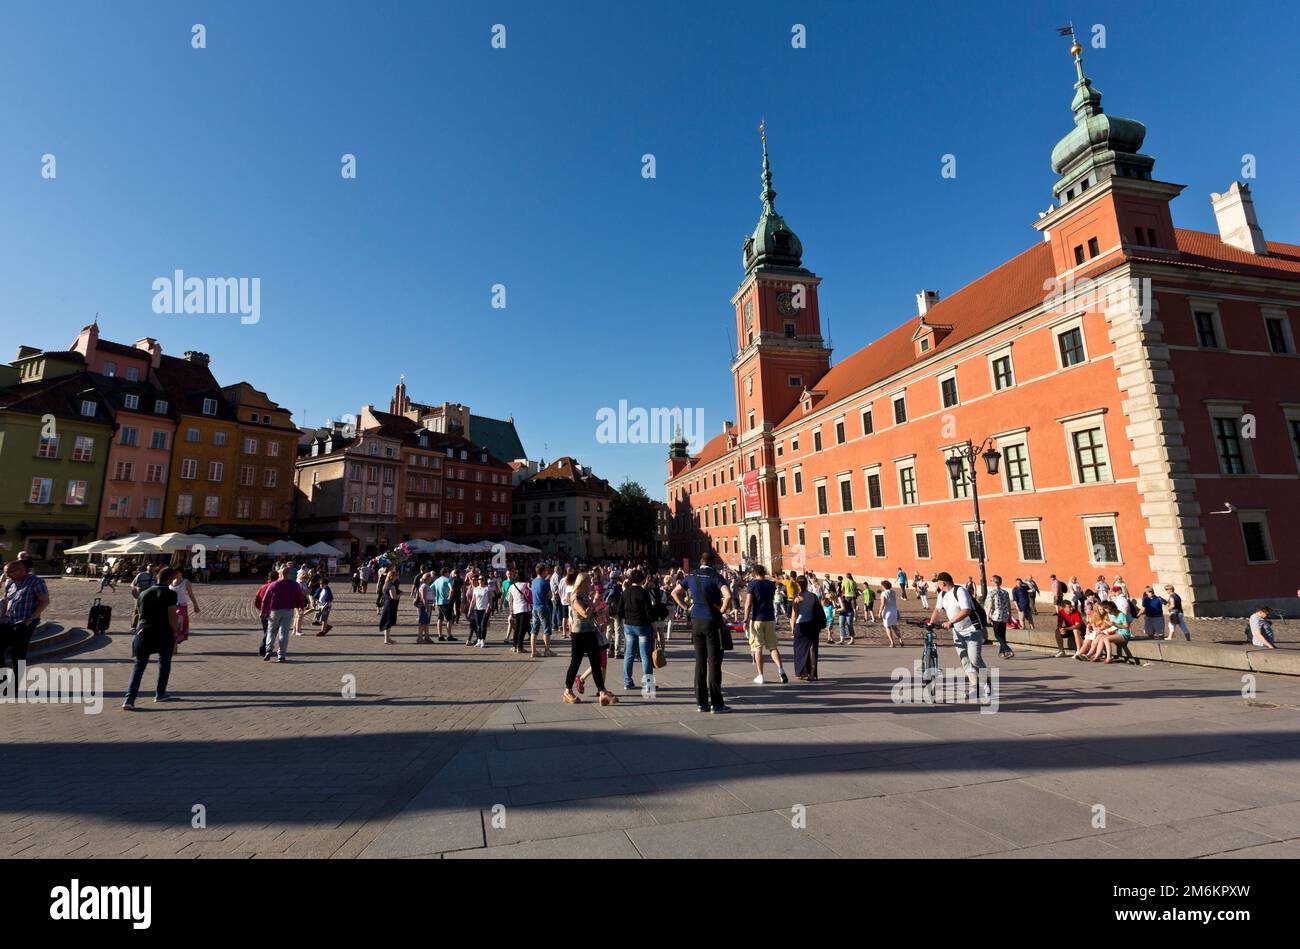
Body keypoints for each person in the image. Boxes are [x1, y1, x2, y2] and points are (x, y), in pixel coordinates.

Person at [671, 551, 732, 712]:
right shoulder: (716, 577)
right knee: (714, 663)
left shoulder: (691, 576)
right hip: (712, 622)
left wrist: (686, 608)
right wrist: (721, 611)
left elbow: (674, 592)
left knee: (700, 662)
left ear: (700, 561)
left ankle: (701, 702)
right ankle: (717, 704)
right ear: (713, 562)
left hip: (696, 622)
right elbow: (728, 595)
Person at [122, 566, 180, 709]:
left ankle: (129, 699)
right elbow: (172, 617)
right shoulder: (170, 594)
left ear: (157, 577)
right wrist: (175, 631)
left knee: (139, 665)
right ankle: (160, 693)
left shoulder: (144, 593)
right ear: (170, 579)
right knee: (164, 663)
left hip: (143, 632)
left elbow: (140, 613)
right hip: (163, 632)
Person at [562, 572, 618, 706]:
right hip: (579, 634)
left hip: (590, 632)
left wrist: (602, 613)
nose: (591, 585)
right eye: (588, 582)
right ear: (582, 583)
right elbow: (584, 613)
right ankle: (567, 690)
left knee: (596, 662)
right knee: (575, 662)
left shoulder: (585, 597)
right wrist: (593, 604)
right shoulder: (575, 597)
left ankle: (602, 691)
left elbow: (593, 616)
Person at [930, 571, 987, 697]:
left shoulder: (960, 591)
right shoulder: (942, 594)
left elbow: (967, 610)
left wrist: (950, 622)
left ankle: (986, 683)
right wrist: (931, 622)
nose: (937, 585)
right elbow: (938, 610)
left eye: (937, 583)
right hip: (958, 631)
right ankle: (975, 687)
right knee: (965, 661)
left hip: (972, 629)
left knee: (975, 659)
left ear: (943, 583)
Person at [1, 559, 50, 681]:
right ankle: (4, 680)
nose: (7, 575)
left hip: (25, 623)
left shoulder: (36, 582)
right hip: (8, 621)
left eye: (9, 572)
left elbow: (44, 601)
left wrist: (30, 620)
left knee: (18, 654)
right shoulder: (10, 582)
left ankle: (16, 683)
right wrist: (2, 617)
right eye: (5, 572)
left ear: (21, 571)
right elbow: (6, 600)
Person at [744, 564, 787, 684]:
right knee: (773, 647)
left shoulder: (752, 584)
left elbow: (748, 603)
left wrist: (746, 619)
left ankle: (760, 675)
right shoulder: (770, 584)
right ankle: (781, 669)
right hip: (770, 617)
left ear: (754, 573)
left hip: (757, 618)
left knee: (757, 648)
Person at [620, 568, 659, 692]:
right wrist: (655, 628)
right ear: (642, 580)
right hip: (642, 626)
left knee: (629, 654)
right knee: (645, 655)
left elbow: (619, 611)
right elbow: (649, 613)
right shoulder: (643, 593)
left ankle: (627, 682)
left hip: (629, 626)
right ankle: (648, 684)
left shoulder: (625, 592)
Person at [262, 566, 307, 661]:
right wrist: (301, 607)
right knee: (284, 633)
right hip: (288, 610)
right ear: (289, 574)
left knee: (271, 631)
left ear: (280, 574)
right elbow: (300, 597)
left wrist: (263, 611)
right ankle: (281, 655)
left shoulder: (274, 584)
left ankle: (269, 649)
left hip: (274, 611)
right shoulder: (294, 585)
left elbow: (265, 600)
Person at [789, 575, 821, 681]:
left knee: (799, 650)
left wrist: (792, 629)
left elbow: (794, 616)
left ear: (797, 585)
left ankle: (802, 672)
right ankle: (812, 674)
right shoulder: (813, 596)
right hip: (812, 624)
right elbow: (817, 610)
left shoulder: (797, 598)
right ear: (807, 584)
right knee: (812, 650)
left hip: (801, 625)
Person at [169, 568, 201, 652]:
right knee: (171, 626)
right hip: (171, 607)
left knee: (178, 626)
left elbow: (191, 595)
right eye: (173, 572)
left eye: (177, 572)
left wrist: (195, 605)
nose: (175, 574)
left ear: (181, 573)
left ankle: (174, 646)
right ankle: (172, 644)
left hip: (181, 607)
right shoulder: (170, 581)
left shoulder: (186, 582)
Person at [984, 575, 1014, 659]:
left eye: (991, 580)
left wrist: (987, 617)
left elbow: (989, 606)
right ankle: (1002, 653)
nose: (990, 582)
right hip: (1004, 616)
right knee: (1002, 635)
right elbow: (1008, 605)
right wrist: (1010, 616)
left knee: (997, 635)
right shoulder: (1005, 593)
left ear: (994, 582)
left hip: (996, 616)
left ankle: (1008, 650)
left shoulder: (992, 593)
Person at [530, 565, 555, 658]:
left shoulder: (533, 581)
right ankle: (547, 650)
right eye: (546, 570)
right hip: (543, 607)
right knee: (547, 629)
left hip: (535, 607)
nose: (547, 572)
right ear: (543, 571)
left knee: (534, 629)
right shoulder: (545, 582)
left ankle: (533, 651)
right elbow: (550, 596)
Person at [508, 568, 532, 654]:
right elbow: (532, 594)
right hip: (525, 609)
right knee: (523, 629)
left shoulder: (512, 586)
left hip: (516, 609)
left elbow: (510, 600)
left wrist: (511, 611)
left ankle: (514, 646)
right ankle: (520, 647)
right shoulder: (527, 584)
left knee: (517, 629)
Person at [432, 567, 457, 642]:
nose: (449, 573)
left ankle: (440, 635)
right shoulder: (447, 579)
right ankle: (449, 635)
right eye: (448, 572)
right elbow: (451, 589)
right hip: (446, 602)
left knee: (440, 619)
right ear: (445, 572)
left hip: (438, 602)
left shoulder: (437, 580)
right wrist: (449, 596)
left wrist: (433, 600)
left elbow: (430, 588)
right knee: (449, 619)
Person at [378, 571, 402, 644]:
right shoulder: (391, 585)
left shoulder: (386, 584)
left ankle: (387, 638)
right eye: (396, 575)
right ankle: (387, 639)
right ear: (392, 576)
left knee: (387, 622)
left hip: (387, 604)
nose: (397, 576)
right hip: (391, 605)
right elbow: (394, 597)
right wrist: (401, 594)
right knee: (389, 622)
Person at [130, 563, 156, 629]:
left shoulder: (156, 576)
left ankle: (145, 625)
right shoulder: (141, 575)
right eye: (150, 570)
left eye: (152, 570)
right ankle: (134, 626)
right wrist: (136, 588)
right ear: (147, 569)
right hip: (140, 594)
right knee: (137, 610)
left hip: (150, 595)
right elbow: (132, 584)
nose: (151, 571)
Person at [877, 579, 901, 646]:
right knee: (895, 627)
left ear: (884, 586)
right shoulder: (893, 592)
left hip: (887, 611)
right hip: (894, 610)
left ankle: (892, 642)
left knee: (888, 627)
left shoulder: (883, 593)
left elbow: (883, 604)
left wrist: (879, 612)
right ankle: (900, 640)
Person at [415, 572, 434, 644]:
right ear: (427, 578)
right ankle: (419, 638)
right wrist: (426, 607)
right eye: (430, 577)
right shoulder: (424, 586)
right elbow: (423, 597)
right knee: (422, 622)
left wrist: (431, 605)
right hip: (424, 606)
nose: (431, 578)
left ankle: (426, 636)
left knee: (426, 622)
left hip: (428, 605)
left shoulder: (426, 585)